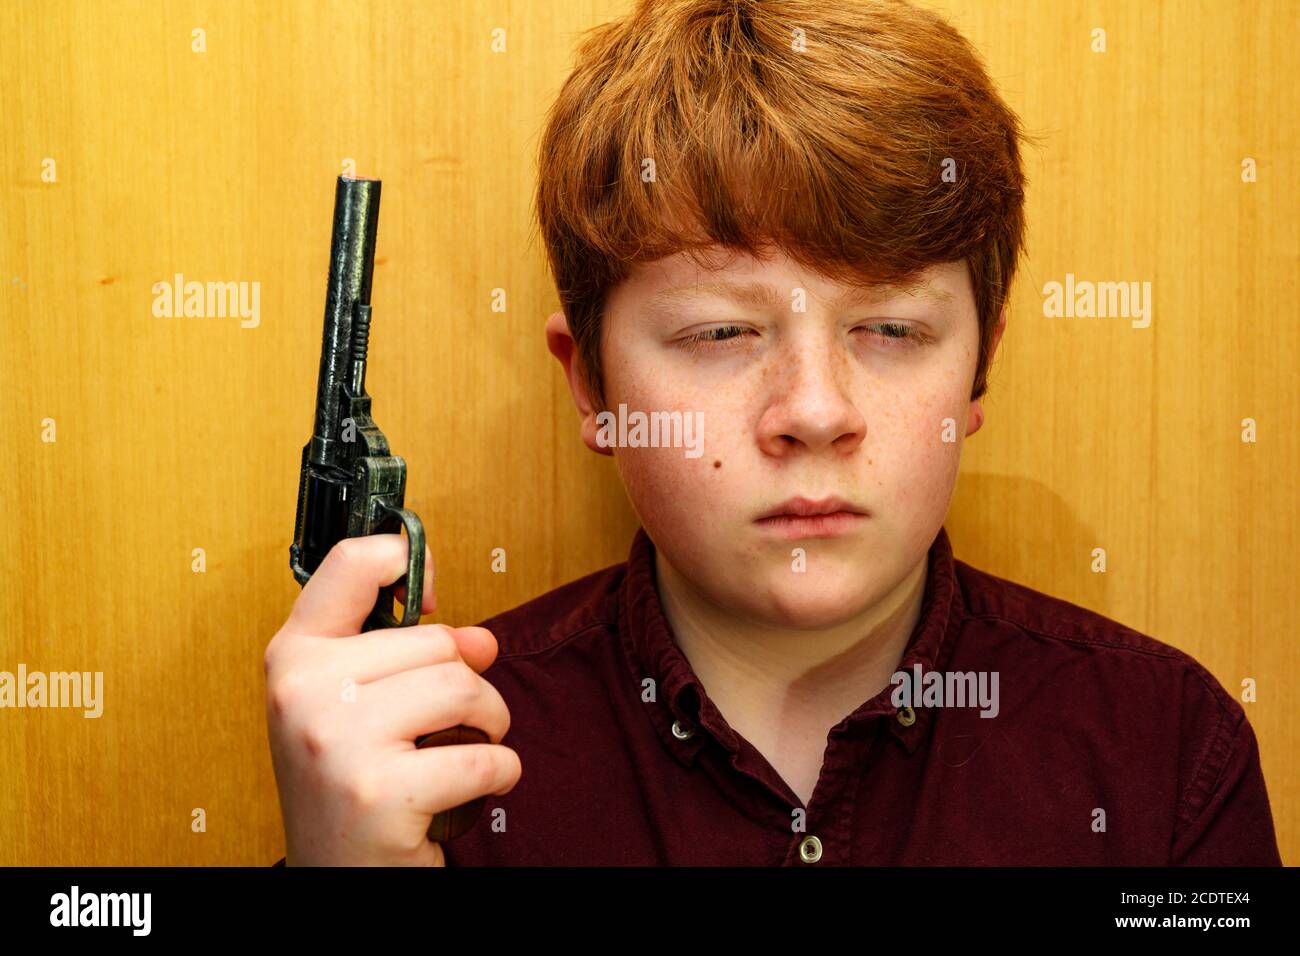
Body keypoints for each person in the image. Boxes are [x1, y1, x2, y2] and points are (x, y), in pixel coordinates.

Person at [265, 0, 1282, 866]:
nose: (815, 411)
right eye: (718, 331)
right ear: (591, 387)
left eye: (889, 328)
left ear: (977, 367)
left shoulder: (1165, 757)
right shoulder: (429, 778)